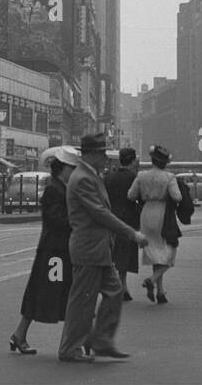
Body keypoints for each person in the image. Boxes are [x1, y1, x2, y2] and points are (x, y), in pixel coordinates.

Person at [57, 133, 149, 361]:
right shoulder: (83, 179)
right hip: (89, 249)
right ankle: (70, 348)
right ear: (90, 154)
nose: (105, 158)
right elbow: (100, 213)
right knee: (82, 301)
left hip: (98, 248)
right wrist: (131, 233)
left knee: (114, 291)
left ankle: (102, 340)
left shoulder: (91, 175)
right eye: (101, 154)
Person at [10, 147, 79, 353]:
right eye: (72, 167)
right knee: (54, 291)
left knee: (50, 291)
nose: (74, 171)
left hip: (58, 251)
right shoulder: (53, 189)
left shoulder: (61, 186)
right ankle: (77, 339)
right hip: (54, 252)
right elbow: (55, 219)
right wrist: (77, 220)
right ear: (63, 168)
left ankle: (20, 335)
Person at [127, 144, 183, 303]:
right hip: (162, 214)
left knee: (154, 252)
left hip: (146, 214)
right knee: (168, 252)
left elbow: (131, 195)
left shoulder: (141, 175)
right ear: (165, 162)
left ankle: (160, 291)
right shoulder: (169, 177)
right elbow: (177, 197)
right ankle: (152, 280)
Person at [104, 147, 141, 301]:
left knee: (113, 252)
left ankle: (116, 285)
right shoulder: (134, 178)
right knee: (125, 254)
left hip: (111, 218)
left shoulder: (109, 177)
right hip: (129, 219)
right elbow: (139, 198)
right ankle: (122, 285)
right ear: (132, 161)